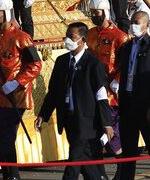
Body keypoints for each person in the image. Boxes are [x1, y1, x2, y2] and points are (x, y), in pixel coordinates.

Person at [36, 22, 114, 180]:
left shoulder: (93, 64)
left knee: (74, 160)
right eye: (67, 36)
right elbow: (54, 92)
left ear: (83, 39)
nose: (67, 40)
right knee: (86, 162)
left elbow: (101, 96)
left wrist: (107, 123)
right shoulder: (62, 62)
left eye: (72, 37)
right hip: (68, 118)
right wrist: (43, 115)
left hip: (87, 121)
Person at [0, 0, 42, 180]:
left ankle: (12, 175)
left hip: (15, 96)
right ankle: (8, 170)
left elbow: (35, 65)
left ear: (7, 14)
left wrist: (17, 82)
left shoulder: (22, 38)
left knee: (6, 136)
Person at [116, 11, 150, 180]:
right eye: (132, 21)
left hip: (147, 107)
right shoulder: (126, 47)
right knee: (128, 153)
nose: (133, 24)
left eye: (137, 22)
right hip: (127, 105)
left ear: (146, 24)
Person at [85, 0, 128, 160]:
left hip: (111, 90)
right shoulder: (89, 35)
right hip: (93, 87)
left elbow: (126, 63)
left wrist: (118, 79)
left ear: (105, 12)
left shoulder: (120, 37)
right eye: (92, 13)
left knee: (110, 129)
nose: (94, 16)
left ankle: (122, 163)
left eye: (97, 12)